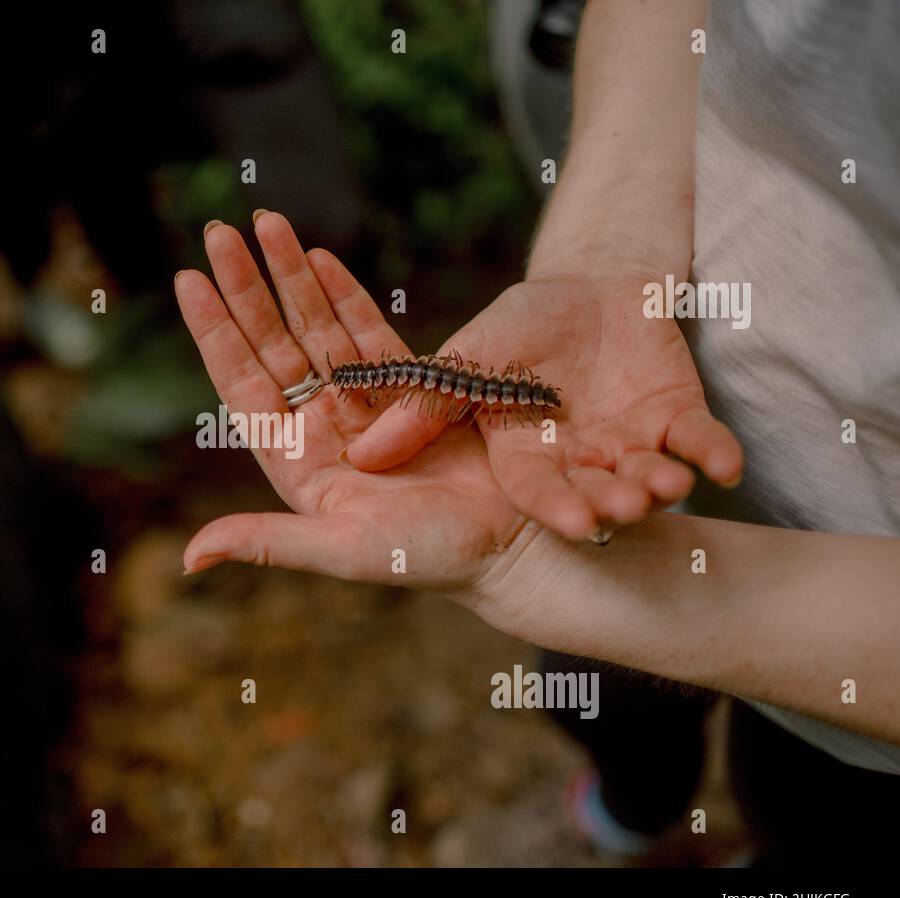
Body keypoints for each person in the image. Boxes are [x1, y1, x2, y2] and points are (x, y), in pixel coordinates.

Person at [176, 0, 900, 851]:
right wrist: (602, 257)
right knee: (599, 693)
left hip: (858, 685)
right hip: (637, 421)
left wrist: (635, 596)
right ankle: (631, 809)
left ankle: (684, 837)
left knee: (799, 804)